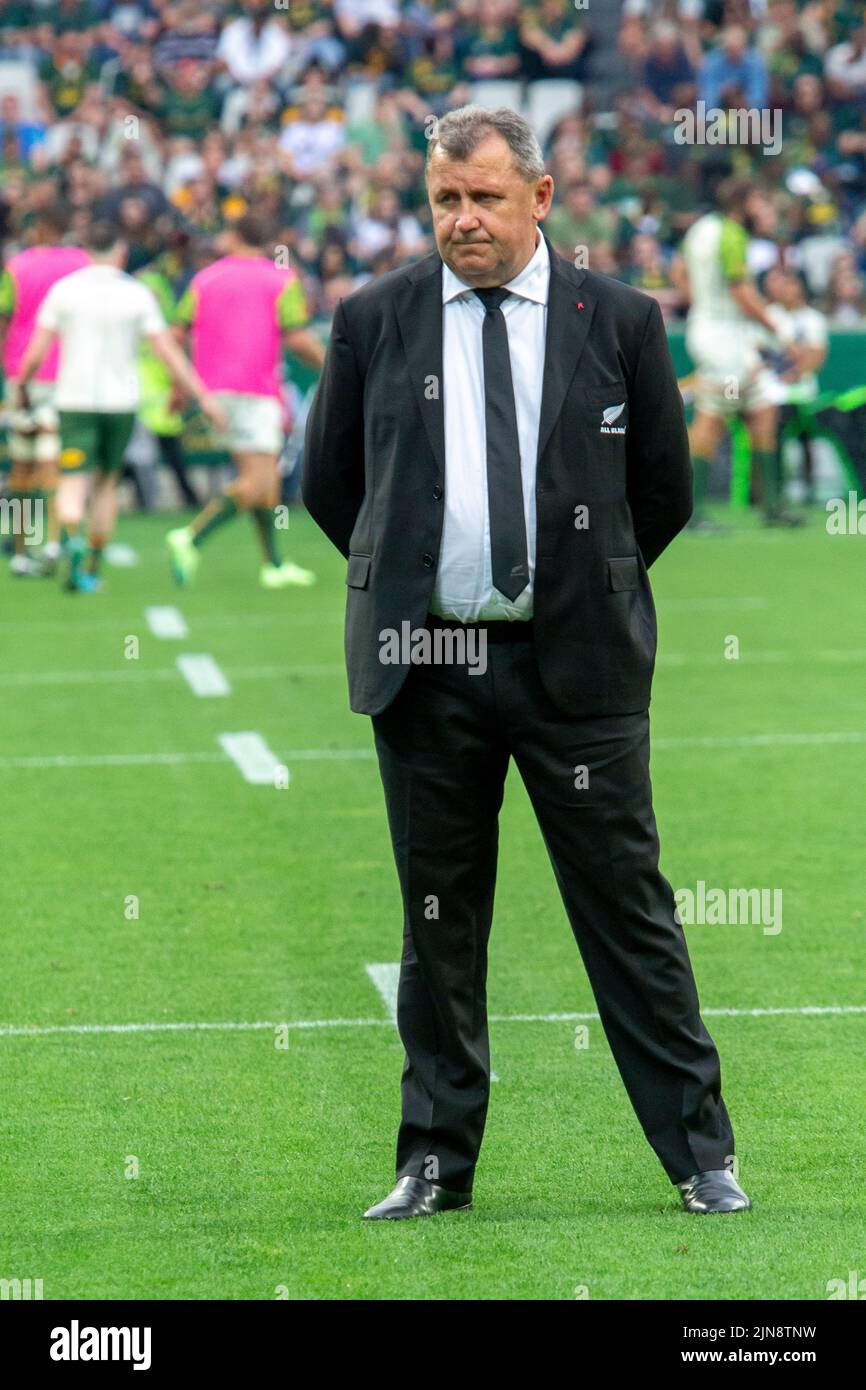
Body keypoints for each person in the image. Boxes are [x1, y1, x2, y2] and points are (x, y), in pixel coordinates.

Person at [303, 105, 750, 1220]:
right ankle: (434, 1163)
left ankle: (700, 1155)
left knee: (628, 911)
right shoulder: (373, 317)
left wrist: (576, 590)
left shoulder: (622, 319)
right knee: (438, 922)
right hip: (427, 665)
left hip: (578, 671)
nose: (463, 219)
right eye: (445, 199)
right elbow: (332, 486)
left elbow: (661, 490)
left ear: (539, 199)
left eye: (484, 198)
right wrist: (421, 580)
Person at [16, 220, 226, 593]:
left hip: (75, 401)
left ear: (86, 252)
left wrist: (21, 385)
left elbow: (36, 351)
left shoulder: (64, 291)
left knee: (72, 480)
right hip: (120, 403)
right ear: (121, 253)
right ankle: (92, 569)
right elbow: (167, 351)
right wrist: (202, 395)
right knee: (106, 484)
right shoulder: (136, 293)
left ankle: (71, 540)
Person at [167, 213, 325, 589]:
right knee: (258, 483)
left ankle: (273, 565)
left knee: (264, 483)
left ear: (235, 237)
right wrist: (334, 365)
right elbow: (297, 338)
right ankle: (190, 537)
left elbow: (177, 334)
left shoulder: (204, 279)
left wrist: (179, 387)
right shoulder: (282, 279)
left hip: (212, 392)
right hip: (254, 390)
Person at [675, 177, 806, 529]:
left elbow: (678, 270)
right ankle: (690, 513)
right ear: (743, 203)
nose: (763, 207)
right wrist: (780, 332)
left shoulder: (701, 228)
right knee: (711, 418)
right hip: (725, 337)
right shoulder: (732, 234)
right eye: (758, 200)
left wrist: (702, 303)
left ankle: (772, 506)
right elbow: (743, 294)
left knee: (763, 409)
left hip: (711, 328)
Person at [0, 203, 89, 577]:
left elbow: (4, 318)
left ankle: (21, 550)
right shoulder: (82, 264)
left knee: (21, 464)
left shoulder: (16, 267)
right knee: (55, 463)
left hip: (22, 372)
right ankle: (53, 543)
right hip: (66, 373)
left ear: (37, 229)